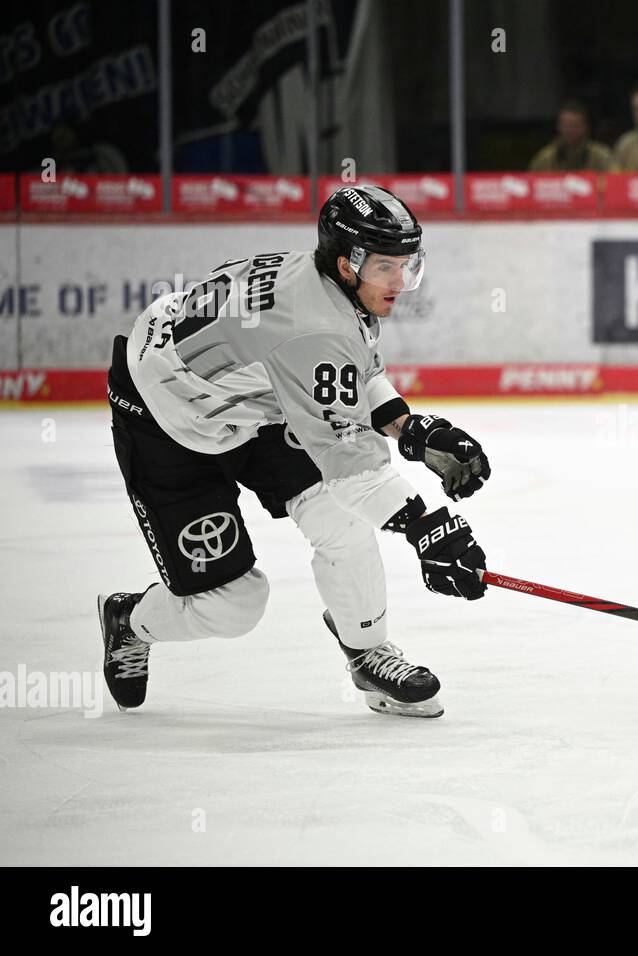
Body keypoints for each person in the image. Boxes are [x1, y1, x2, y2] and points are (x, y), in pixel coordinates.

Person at [98, 185, 492, 718]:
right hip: (165, 419)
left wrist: (413, 428)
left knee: (340, 519)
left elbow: (356, 375)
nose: (400, 283)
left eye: (408, 266)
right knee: (234, 606)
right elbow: (356, 469)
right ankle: (131, 619)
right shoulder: (313, 327)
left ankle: (366, 650)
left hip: (249, 402)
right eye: (385, 268)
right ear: (346, 263)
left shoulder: (327, 284)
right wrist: (428, 527)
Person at [528, 100, 612, 172]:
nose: (569, 130)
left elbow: (615, 181)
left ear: (585, 127)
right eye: (565, 125)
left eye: (574, 125)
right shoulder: (545, 158)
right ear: (558, 127)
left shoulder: (601, 157)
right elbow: (531, 183)